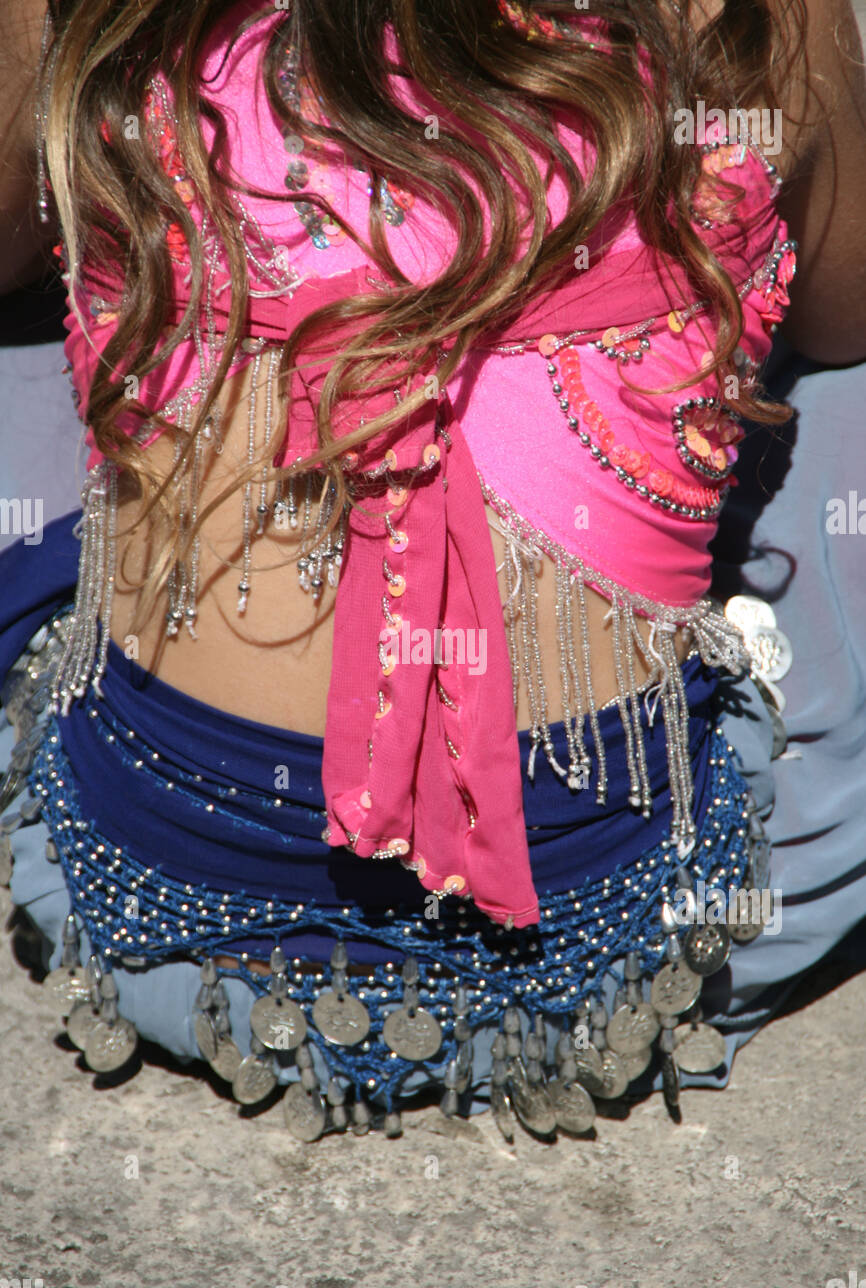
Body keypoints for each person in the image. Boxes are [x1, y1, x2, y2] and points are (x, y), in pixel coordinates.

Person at [1, 0, 864, 1144]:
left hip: (138, 922)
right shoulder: (750, 23)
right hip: (614, 967)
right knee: (835, 402)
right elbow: (843, 314)